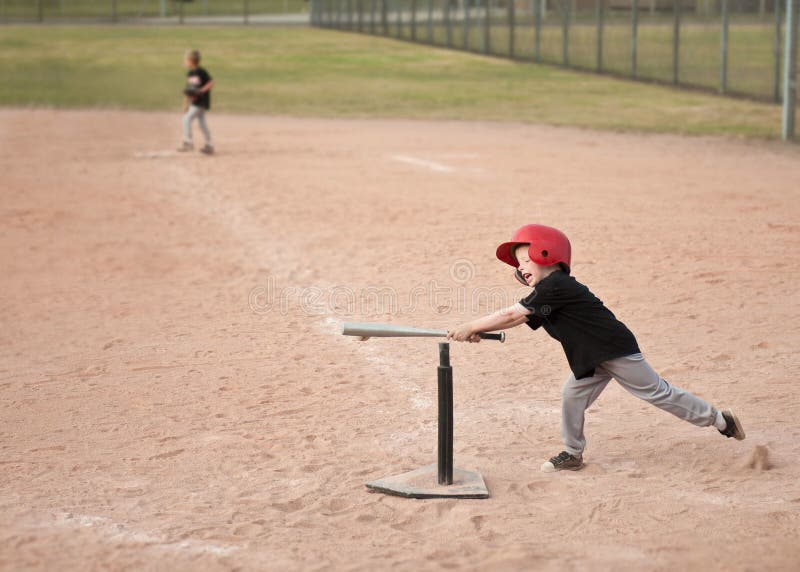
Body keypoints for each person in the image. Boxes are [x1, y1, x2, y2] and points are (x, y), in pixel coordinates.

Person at [447, 224, 745, 473]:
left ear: (547, 253)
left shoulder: (557, 286)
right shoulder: (545, 293)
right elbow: (519, 319)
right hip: (590, 357)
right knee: (572, 396)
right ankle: (573, 453)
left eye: (525, 260)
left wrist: (471, 325)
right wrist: (479, 330)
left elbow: (511, 314)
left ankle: (720, 419)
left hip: (614, 349)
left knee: (657, 392)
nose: (520, 268)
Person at [178, 49, 214, 155]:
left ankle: (188, 142)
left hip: (201, 101)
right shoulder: (190, 73)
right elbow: (189, 89)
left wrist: (202, 90)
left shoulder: (200, 71)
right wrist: (185, 104)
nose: (185, 62)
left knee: (186, 119)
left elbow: (211, 82)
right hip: (195, 101)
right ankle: (209, 145)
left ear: (191, 61)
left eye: (186, 60)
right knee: (202, 124)